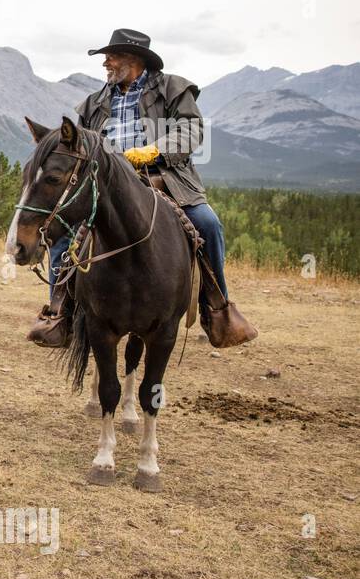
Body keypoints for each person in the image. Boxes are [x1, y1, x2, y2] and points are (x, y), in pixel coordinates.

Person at [26, 28, 256, 348]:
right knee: (63, 232)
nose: (105, 62)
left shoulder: (173, 89)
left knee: (208, 225)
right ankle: (59, 313)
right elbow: (78, 144)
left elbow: (192, 130)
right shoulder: (94, 103)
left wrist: (155, 150)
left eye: (112, 56)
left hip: (164, 179)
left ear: (133, 59)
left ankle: (217, 310)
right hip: (107, 184)